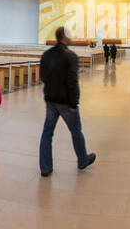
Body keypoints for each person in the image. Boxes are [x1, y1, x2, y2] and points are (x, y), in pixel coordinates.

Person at [39, 26, 97, 177]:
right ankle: (82, 160)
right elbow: (72, 81)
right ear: (65, 37)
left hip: (50, 100)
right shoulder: (70, 56)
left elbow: (43, 77)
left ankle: (45, 168)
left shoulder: (46, 55)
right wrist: (74, 103)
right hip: (65, 102)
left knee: (47, 133)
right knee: (76, 131)